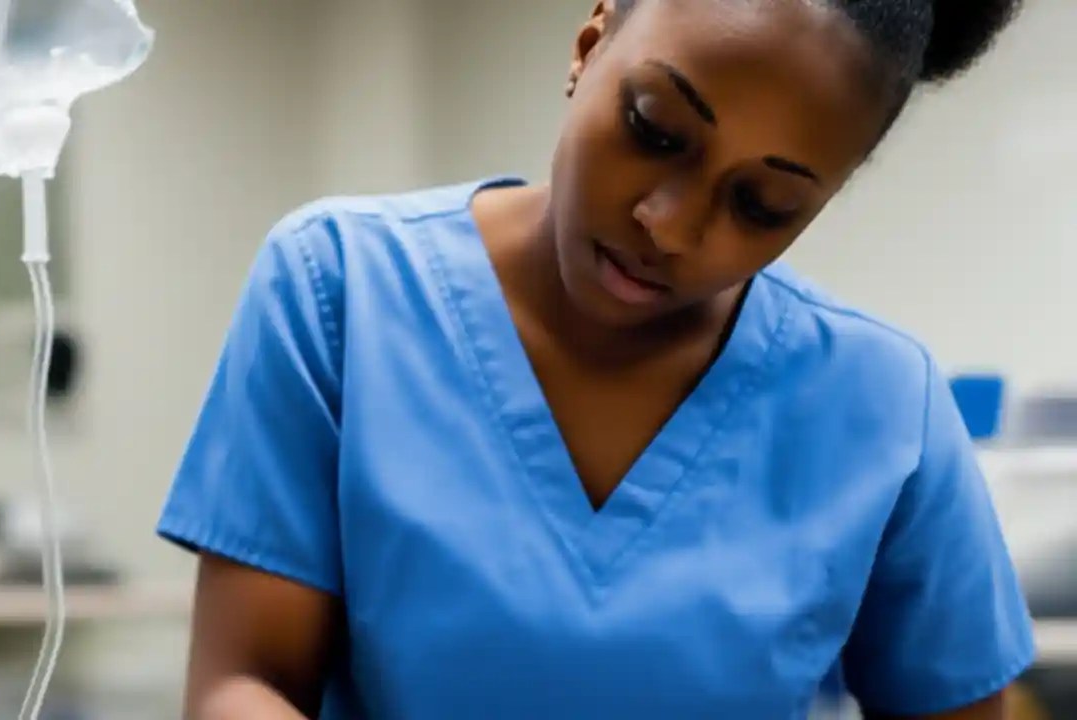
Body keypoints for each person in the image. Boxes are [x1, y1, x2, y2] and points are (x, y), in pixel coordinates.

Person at [157, 0, 1035, 717]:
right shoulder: (341, 287)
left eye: (762, 204)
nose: (672, 223)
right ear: (590, 43)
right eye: (655, 129)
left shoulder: (882, 405)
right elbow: (249, 681)